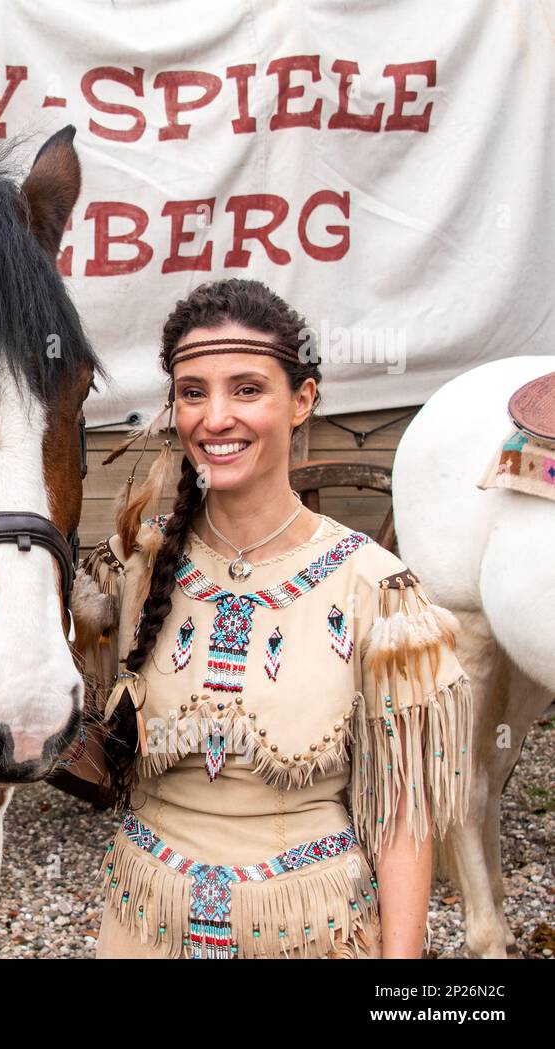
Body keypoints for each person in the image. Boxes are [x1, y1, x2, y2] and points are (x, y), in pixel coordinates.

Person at [71, 278, 473, 958]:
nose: (214, 417)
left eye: (247, 389)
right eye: (193, 392)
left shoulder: (375, 588)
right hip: (142, 929)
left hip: (311, 934)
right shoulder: (130, 569)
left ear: (302, 400)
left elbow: (403, 821)